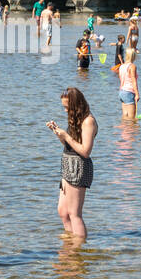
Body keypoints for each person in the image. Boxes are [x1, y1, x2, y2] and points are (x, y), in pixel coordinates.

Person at [49, 87, 97, 239]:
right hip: (67, 165)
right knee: (63, 211)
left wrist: (66, 136)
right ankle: (71, 241)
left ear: (76, 105)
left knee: (74, 213)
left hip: (79, 168)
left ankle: (79, 247)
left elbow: (85, 151)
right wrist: (59, 133)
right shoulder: (75, 118)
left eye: (67, 107)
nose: (65, 110)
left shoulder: (88, 121)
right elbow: (69, 145)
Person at [118, 48, 140, 120]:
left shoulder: (121, 66)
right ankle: (131, 131)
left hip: (122, 92)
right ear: (133, 56)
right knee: (132, 118)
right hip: (129, 92)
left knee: (125, 116)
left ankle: (124, 130)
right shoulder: (132, 66)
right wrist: (137, 94)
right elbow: (133, 81)